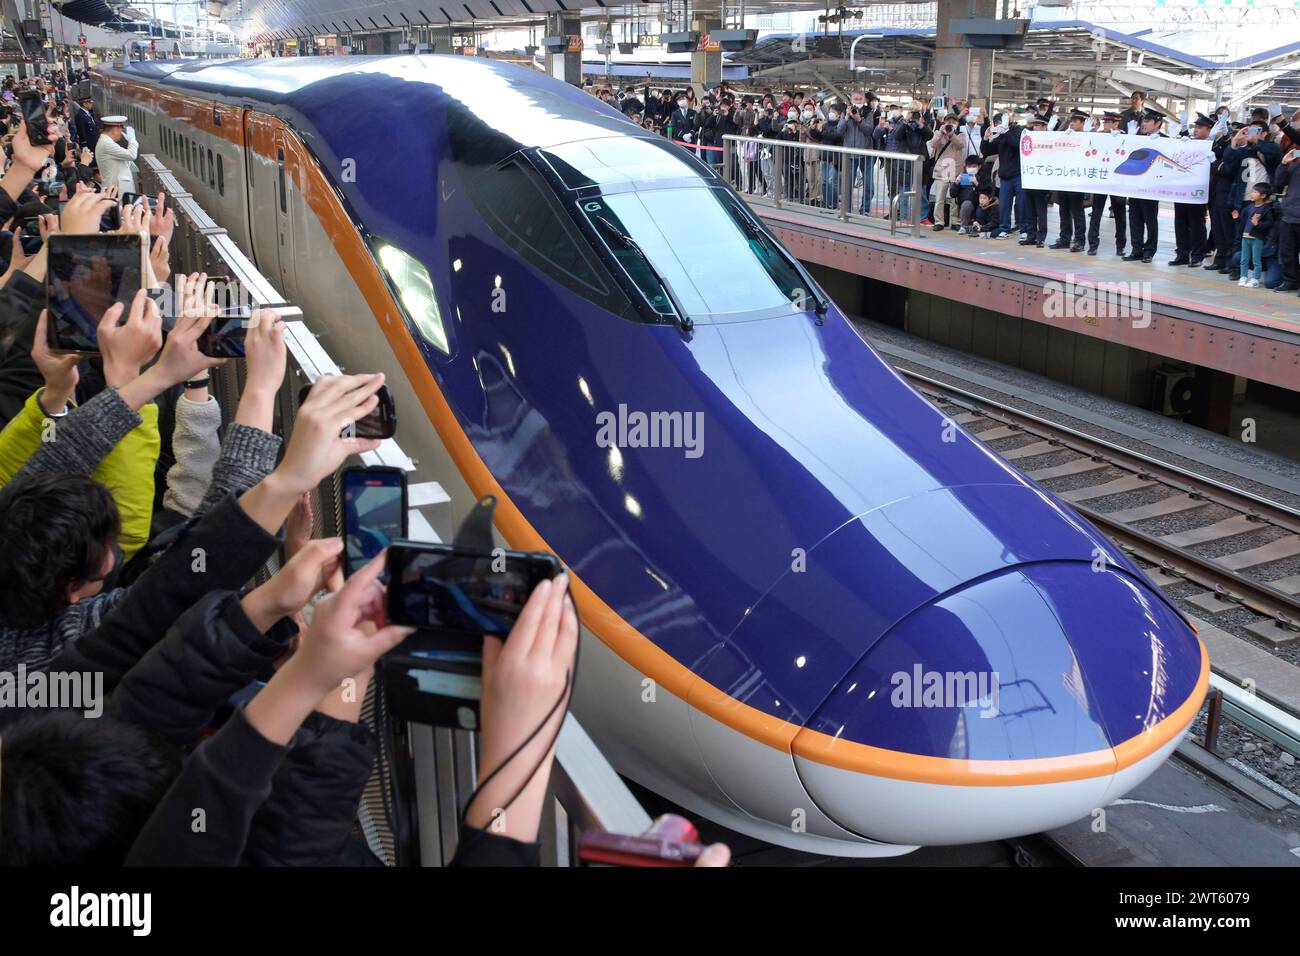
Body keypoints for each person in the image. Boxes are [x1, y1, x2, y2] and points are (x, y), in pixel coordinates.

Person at [1124, 106, 1169, 263]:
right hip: (1136, 185)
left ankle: (1149, 251)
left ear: (1158, 124)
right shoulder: (1138, 137)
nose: (1144, 123)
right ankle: (1136, 249)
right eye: (1144, 120)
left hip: (1151, 187)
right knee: (1134, 218)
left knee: (1150, 220)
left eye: (1148, 121)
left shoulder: (1166, 139)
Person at [1169, 113, 1214, 267]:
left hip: (1198, 191)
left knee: (1197, 223)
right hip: (1182, 188)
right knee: (1180, 222)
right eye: (1195, 127)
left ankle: (1197, 255)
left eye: (1200, 127)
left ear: (1209, 130)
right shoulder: (1188, 142)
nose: (1196, 130)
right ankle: (1182, 253)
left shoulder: (1211, 145)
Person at [1087, 111, 1128, 256]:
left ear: (1116, 123)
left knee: (1120, 215)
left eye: (1108, 122)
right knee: (1096, 213)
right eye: (1105, 122)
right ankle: (1092, 244)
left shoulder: (1125, 137)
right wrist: (1088, 133)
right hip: (1102, 180)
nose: (1105, 124)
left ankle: (1120, 245)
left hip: (1118, 182)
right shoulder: (1099, 136)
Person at [1049, 109, 1089, 252]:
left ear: (1083, 123)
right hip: (1063, 178)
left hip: (1076, 180)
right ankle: (1065, 238)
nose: (1072, 123)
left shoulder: (1087, 137)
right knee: (1063, 211)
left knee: (1077, 212)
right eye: (1071, 121)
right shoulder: (1066, 135)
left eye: (1075, 121)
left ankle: (1079, 240)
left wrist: (1087, 134)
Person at [1019, 114, 1051, 248]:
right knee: (1030, 211)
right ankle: (1031, 236)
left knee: (1041, 212)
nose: (1035, 127)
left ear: (1045, 126)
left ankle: (1041, 237)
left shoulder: (1050, 139)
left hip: (1042, 182)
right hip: (1029, 179)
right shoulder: (1029, 138)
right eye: (1034, 125)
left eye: (1038, 125)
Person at [1274, 143, 1300, 294]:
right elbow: (1279, 183)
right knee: (1287, 252)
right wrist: (1284, 164)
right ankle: (1290, 281)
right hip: (1288, 216)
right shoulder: (1294, 167)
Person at [1238, 182, 1274, 288]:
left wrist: (1258, 224)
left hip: (1257, 238)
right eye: (1252, 191)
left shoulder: (1266, 208)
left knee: (1256, 260)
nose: (1252, 194)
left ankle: (1255, 279)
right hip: (1245, 236)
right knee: (1244, 258)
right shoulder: (1248, 207)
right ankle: (1243, 276)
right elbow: (1243, 221)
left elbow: (1269, 223)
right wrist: (1237, 221)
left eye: (1255, 192)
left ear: (1263, 195)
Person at [95, 114, 138, 194]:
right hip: (116, 191)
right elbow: (132, 155)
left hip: (116, 189)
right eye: (120, 130)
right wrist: (132, 140)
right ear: (115, 129)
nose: (121, 134)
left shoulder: (106, 141)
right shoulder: (107, 143)